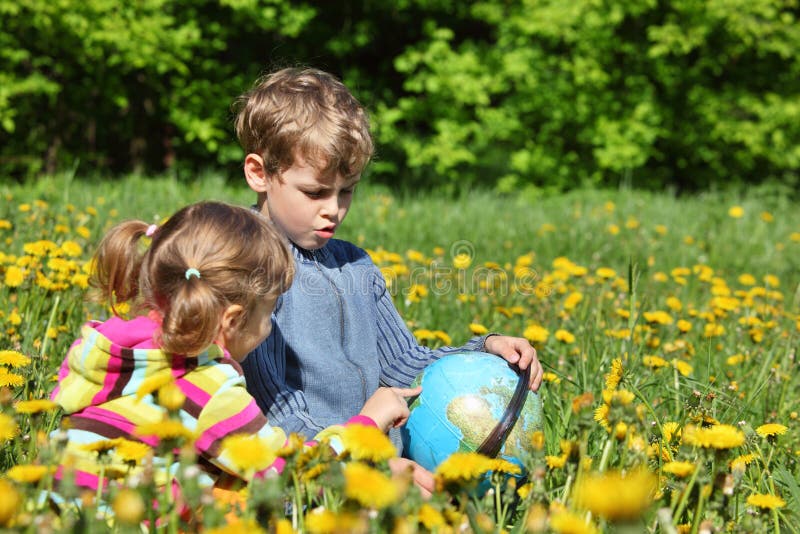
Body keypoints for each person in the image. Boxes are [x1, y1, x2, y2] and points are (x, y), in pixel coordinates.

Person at [233, 68, 545, 493]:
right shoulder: (247, 267)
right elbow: (274, 407)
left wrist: (485, 350)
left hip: (378, 460)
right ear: (258, 173)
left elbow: (405, 363)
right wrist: (359, 461)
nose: (334, 210)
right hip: (310, 474)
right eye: (315, 192)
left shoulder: (355, 264)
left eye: (347, 191)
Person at [51, 200, 418, 492]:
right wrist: (367, 423)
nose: (270, 326)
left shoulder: (103, 349)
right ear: (231, 320)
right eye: (270, 312)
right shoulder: (207, 386)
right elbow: (296, 475)